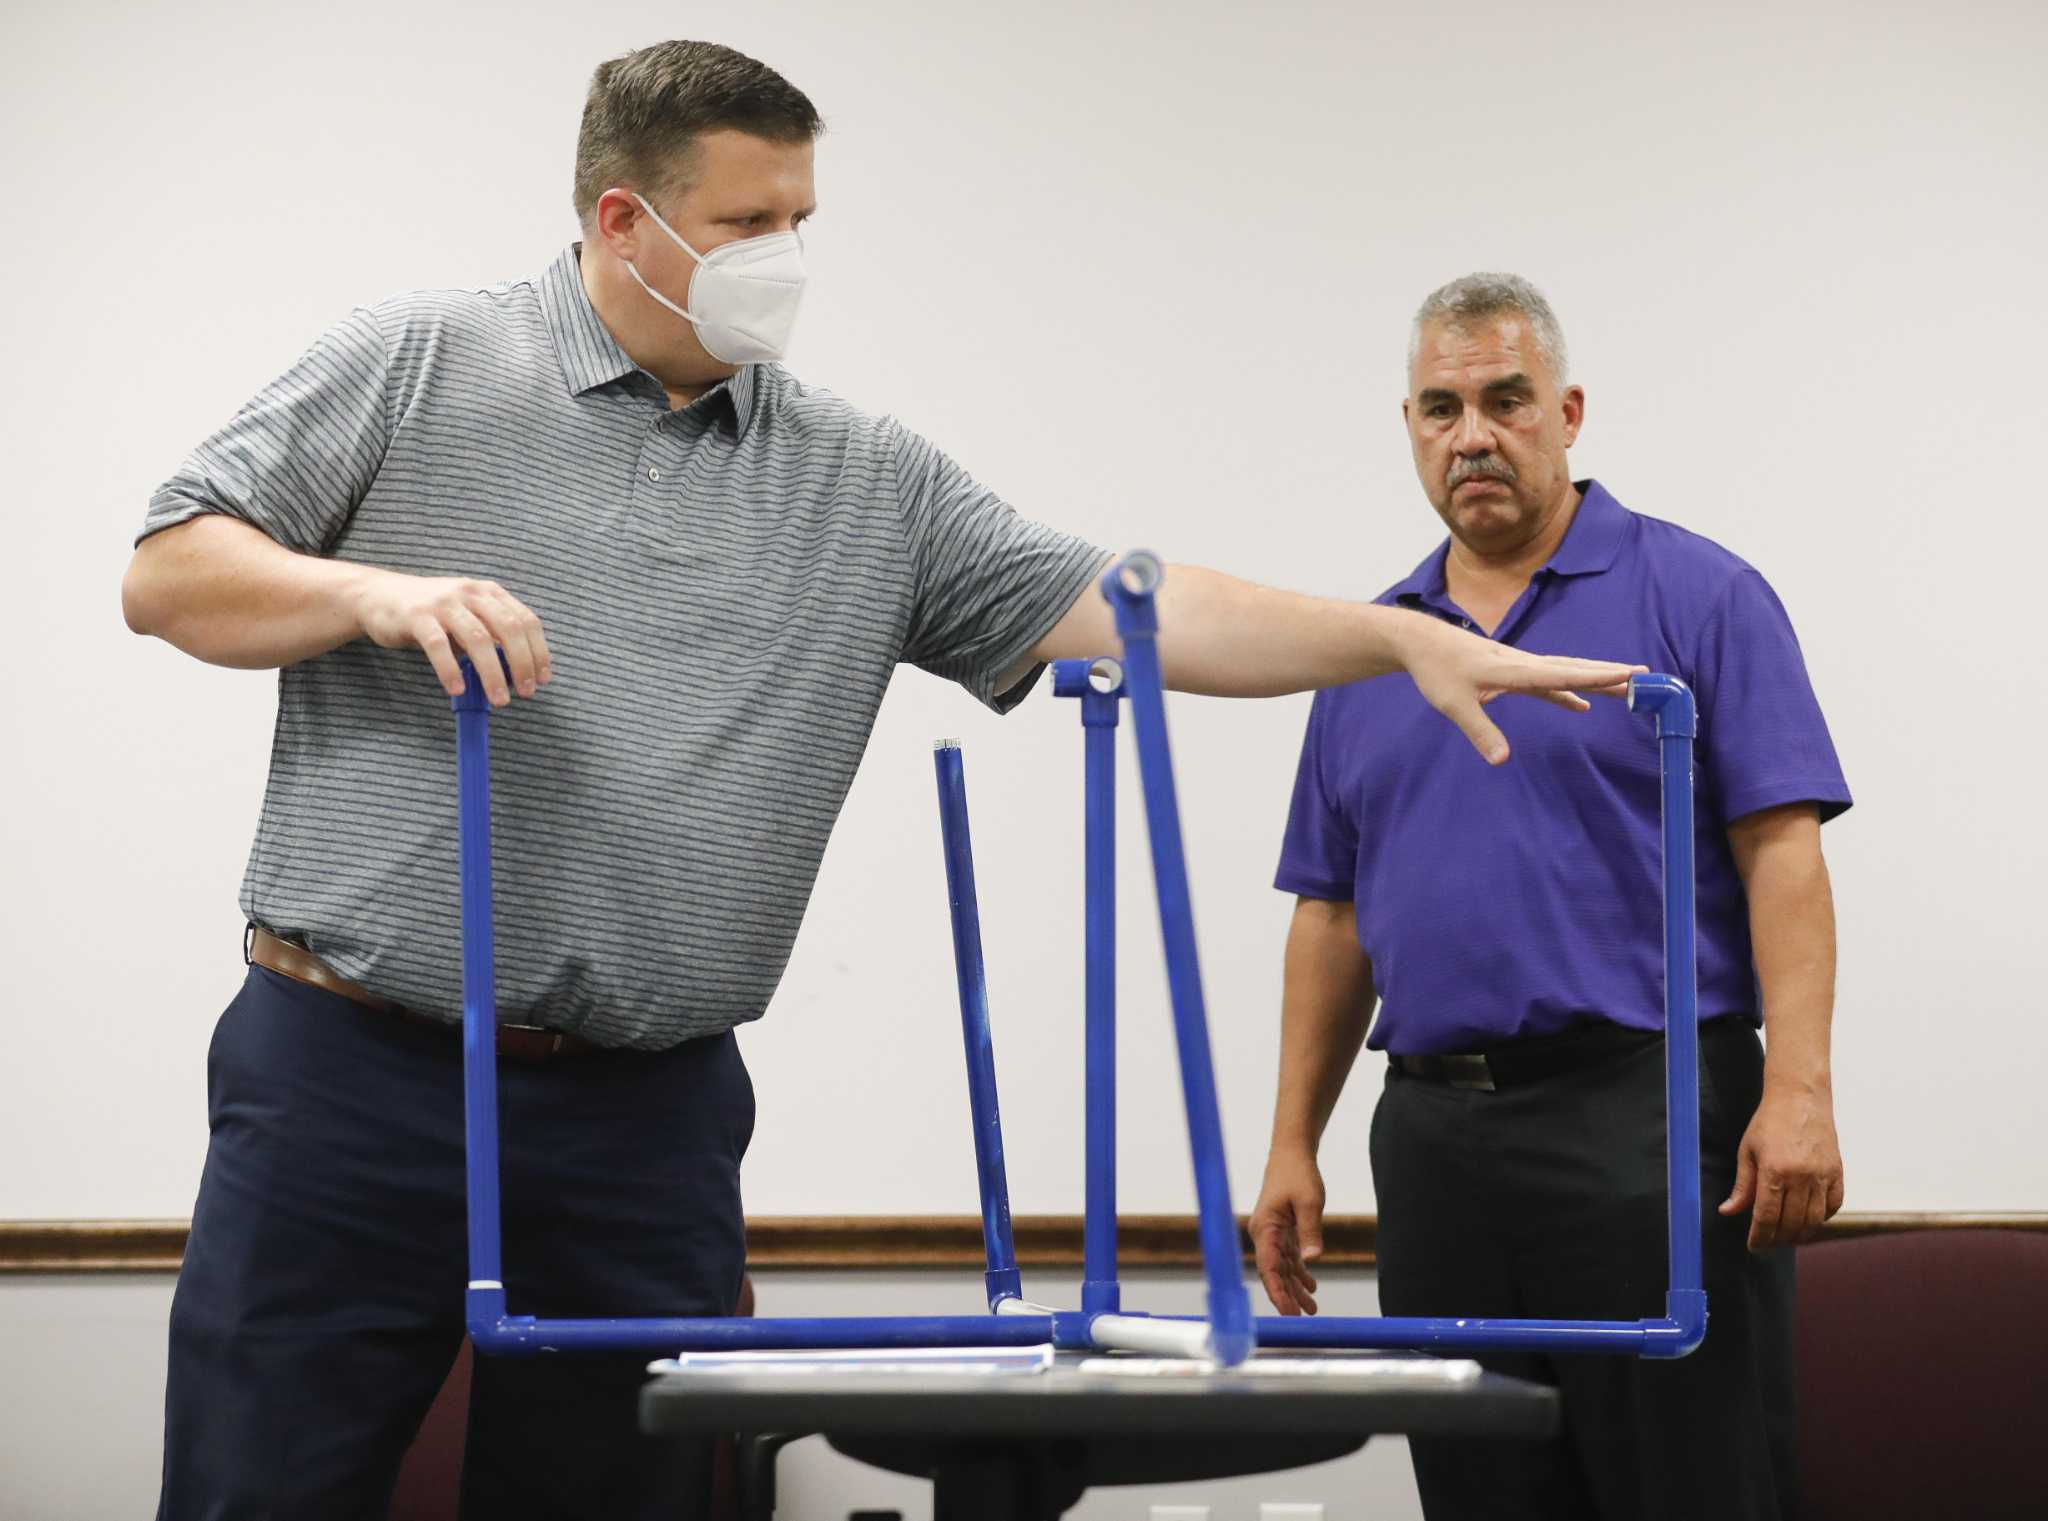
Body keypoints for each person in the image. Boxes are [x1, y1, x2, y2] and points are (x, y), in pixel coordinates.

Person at [123, 45, 1636, 1521]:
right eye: (745, 226)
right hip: (354, 1076)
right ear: (622, 223)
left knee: (622, 1491)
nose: (783, 257)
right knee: (265, 1482)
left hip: (643, 1118)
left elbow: (1124, 601)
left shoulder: (859, 474)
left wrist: (1392, 637)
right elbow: (171, 571)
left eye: (800, 223)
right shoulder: (423, 358)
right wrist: (369, 595)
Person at [1248, 272, 1850, 1520]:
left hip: (1649, 1114)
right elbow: (1331, 914)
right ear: (1409, 428)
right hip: (1434, 1141)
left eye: (1503, 399)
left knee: (1689, 1480)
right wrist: (1290, 1143)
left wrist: (1796, 1092)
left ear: (1565, 411)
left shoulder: (1698, 595)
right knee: (1477, 1488)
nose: (1470, 433)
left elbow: (1780, 852)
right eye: (1438, 407)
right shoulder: (1371, 649)